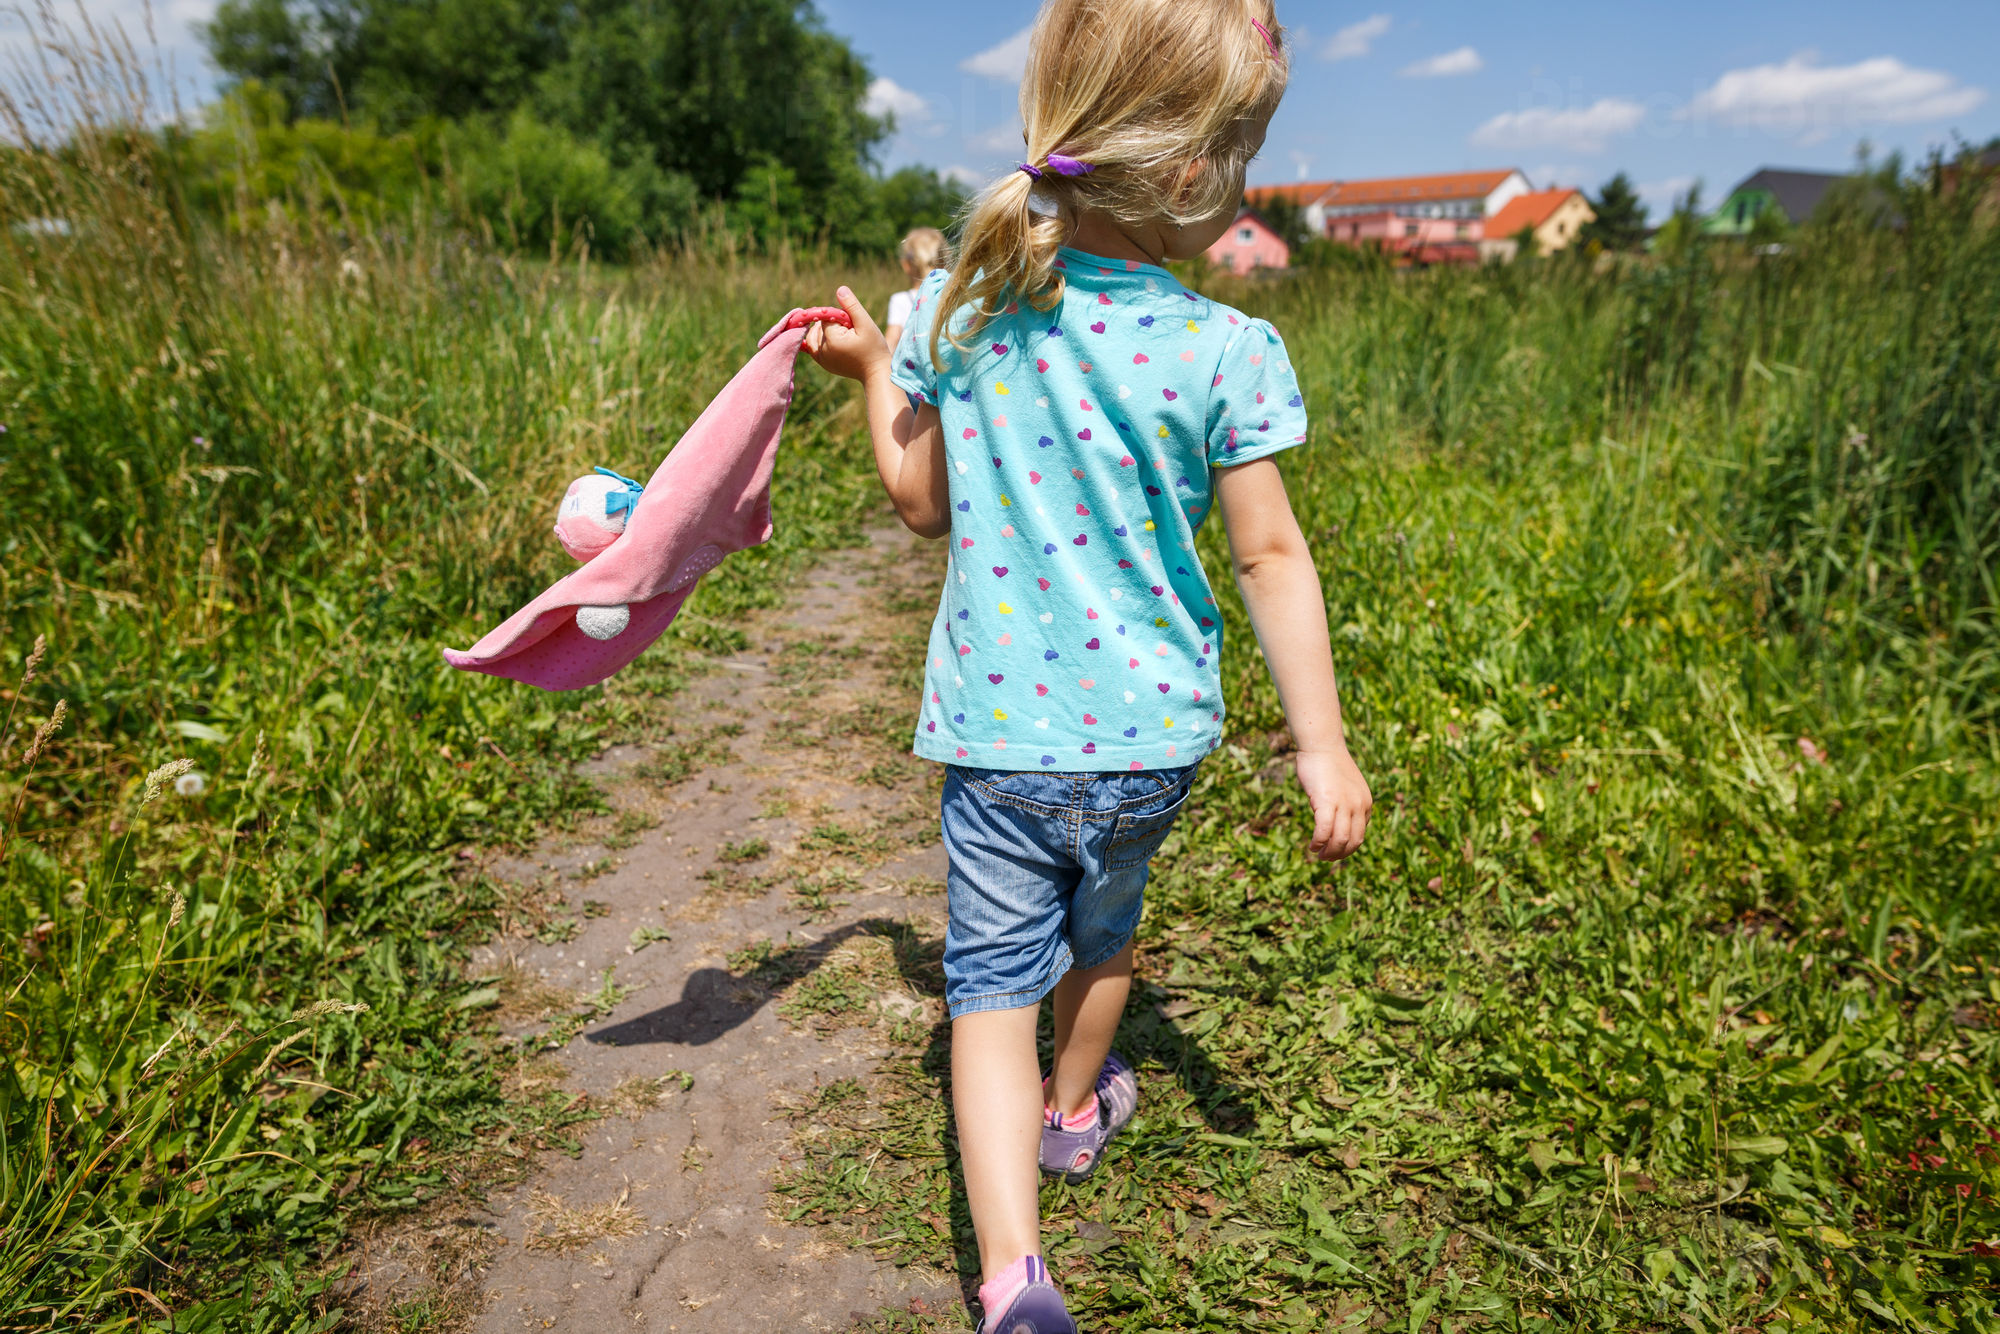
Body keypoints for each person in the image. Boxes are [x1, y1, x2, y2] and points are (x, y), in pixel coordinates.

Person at [804, 3, 1369, 1329]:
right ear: (1192, 179)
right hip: (1148, 746)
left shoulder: (962, 314)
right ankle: (1073, 1112)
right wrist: (1323, 740)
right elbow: (1273, 558)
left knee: (987, 992)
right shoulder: (1223, 350)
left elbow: (919, 502)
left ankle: (1011, 1270)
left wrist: (878, 365)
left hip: (999, 741)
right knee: (1103, 935)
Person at [884, 226, 949, 352]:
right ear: (945, 263)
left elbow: (891, 342)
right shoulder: (952, 296)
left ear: (906, 265)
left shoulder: (900, 300)